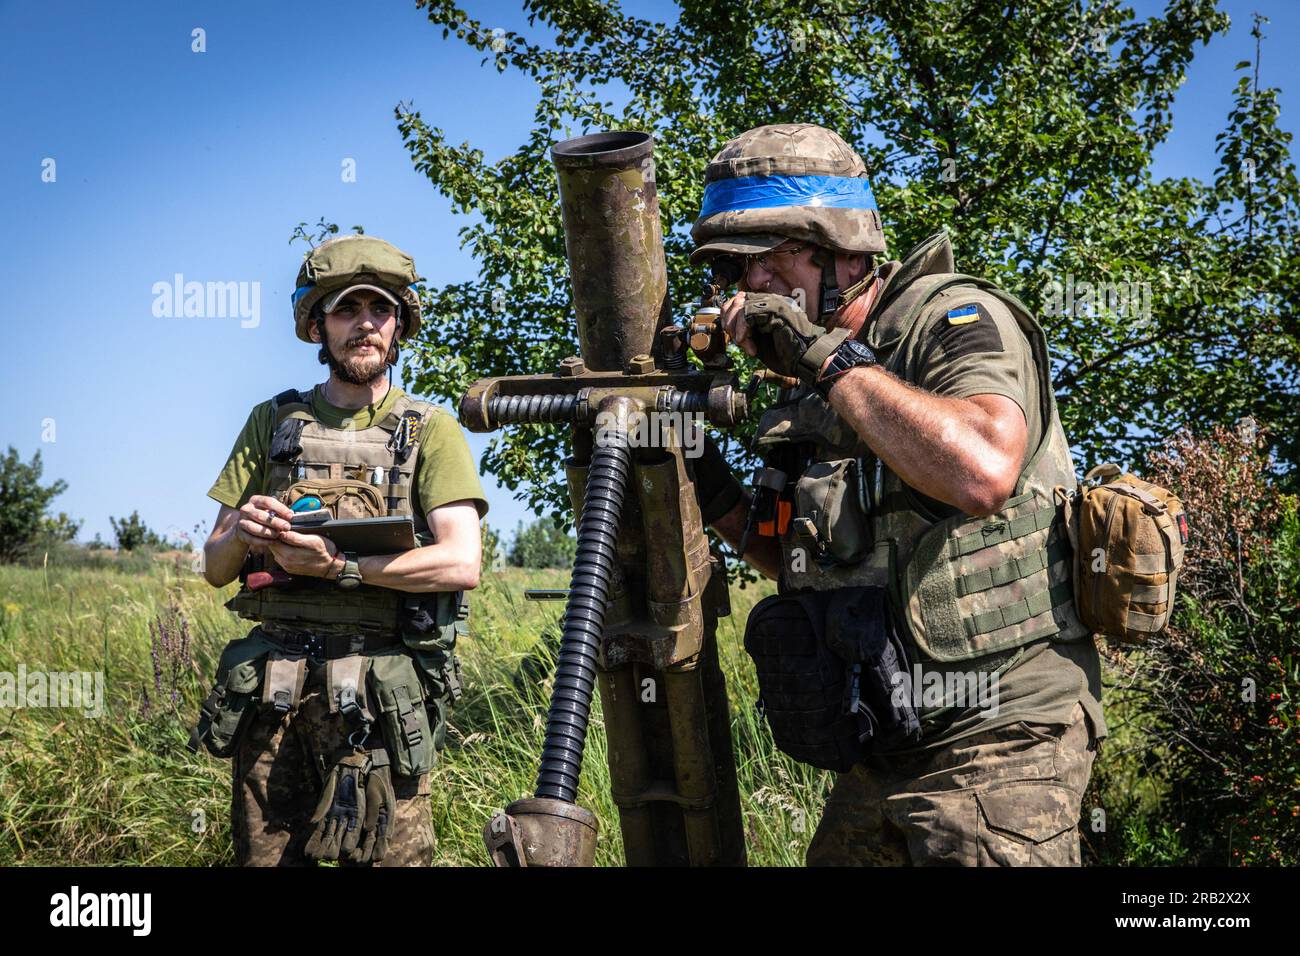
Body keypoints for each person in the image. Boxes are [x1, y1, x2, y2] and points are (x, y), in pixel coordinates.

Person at [688, 124, 1104, 866]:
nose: (744, 289)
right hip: (883, 742)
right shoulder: (811, 384)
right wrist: (702, 475)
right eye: (728, 268)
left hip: (1001, 734)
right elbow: (789, 554)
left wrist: (826, 360)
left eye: (763, 260)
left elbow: (982, 470)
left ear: (842, 249)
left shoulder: (950, 321)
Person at [192, 234, 488, 866]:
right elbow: (215, 569)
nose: (365, 326)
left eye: (379, 311)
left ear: (399, 325)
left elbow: (463, 562)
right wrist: (245, 530)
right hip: (274, 695)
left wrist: (342, 566)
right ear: (317, 326)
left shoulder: (430, 431)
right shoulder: (272, 423)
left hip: (379, 695)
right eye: (347, 311)